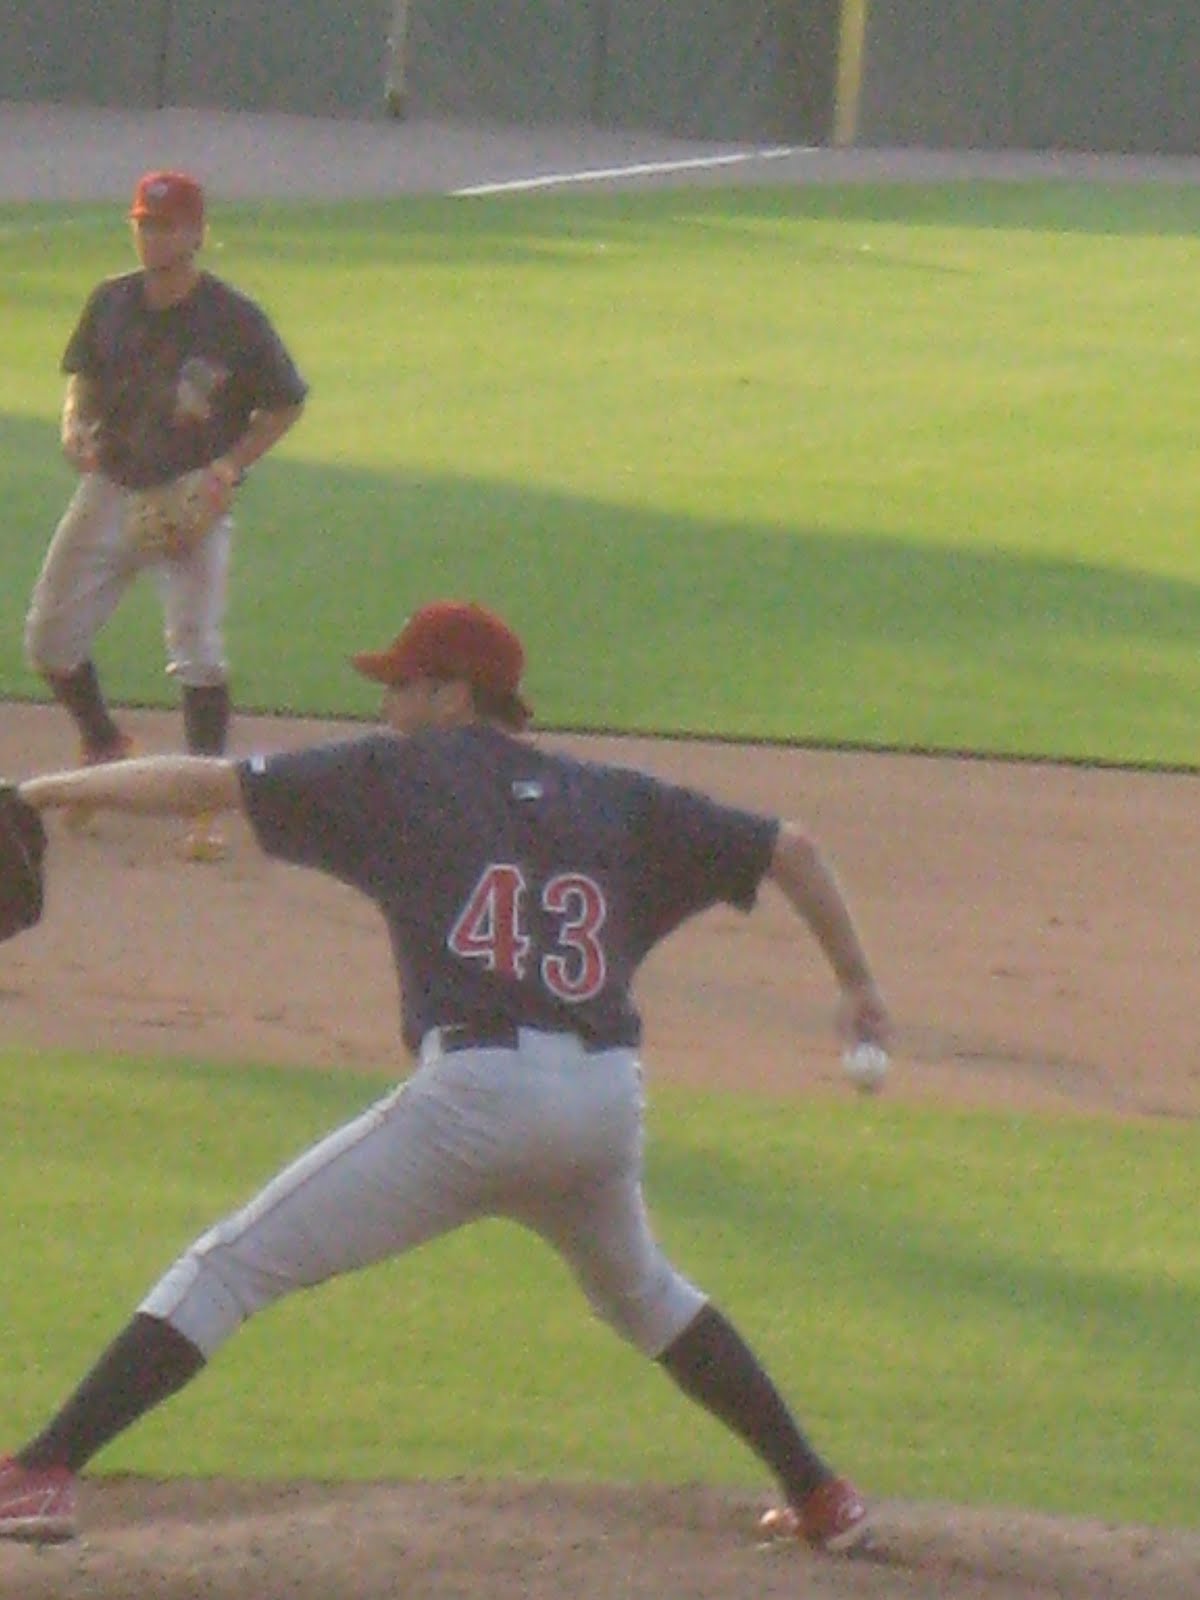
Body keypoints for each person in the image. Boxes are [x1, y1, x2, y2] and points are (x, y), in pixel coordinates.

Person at [0, 599, 892, 1554]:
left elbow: (206, 784)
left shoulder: (399, 774)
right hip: (603, 1104)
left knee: (231, 1266)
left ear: (454, 695)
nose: (387, 706)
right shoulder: (619, 796)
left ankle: (40, 1474)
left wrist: (40, 792)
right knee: (649, 1298)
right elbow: (792, 848)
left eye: (401, 685)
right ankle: (822, 1496)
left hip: (477, 1104)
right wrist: (858, 986)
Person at [23, 168, 308, 862]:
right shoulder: (111, 301)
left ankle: (203, 796)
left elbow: (285, 402)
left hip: (189, 498)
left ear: (197, 233)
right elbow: (82, 379)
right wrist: (73, 427)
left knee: (197, 647)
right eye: (144, 224)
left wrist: (226, 469)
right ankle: (103, 743)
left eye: (166, 226)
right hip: (110, 489)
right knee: (49, 641)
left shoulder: (235, 319)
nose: (152, 237)